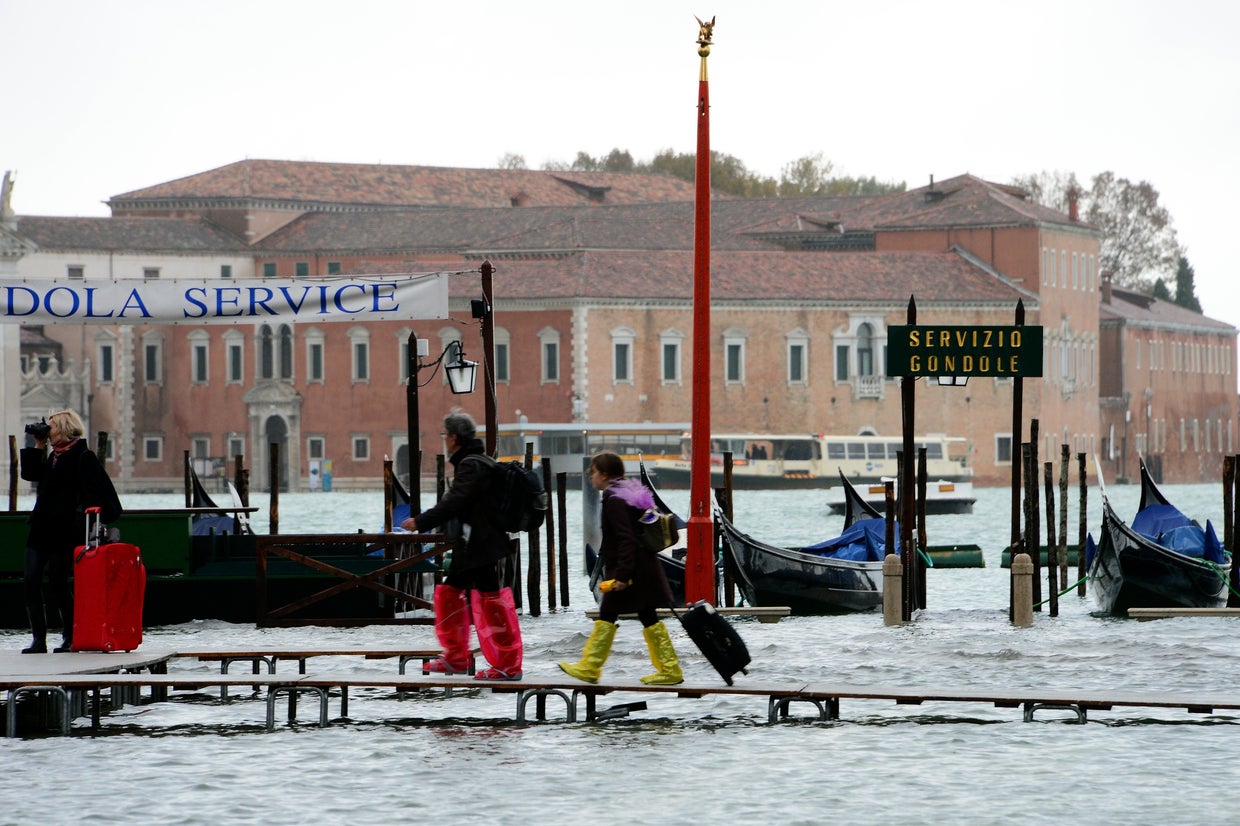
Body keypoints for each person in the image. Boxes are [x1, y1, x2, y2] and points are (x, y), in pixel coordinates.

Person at [401, 411, 523, 681]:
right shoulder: (477, 462)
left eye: (445, 435)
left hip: (479, 546)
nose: (444, 440)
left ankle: (505, 665)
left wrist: (420, 521)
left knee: (489, 601)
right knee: (452, 592)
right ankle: (459, 657)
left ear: (454, 438)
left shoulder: (471, 465)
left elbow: (455, 501)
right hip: (475, 546)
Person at [559, 452, 683, 685]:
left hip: (631, 571)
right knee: (648, 617)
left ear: (604, 474)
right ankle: (670, 669)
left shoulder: (614, 499)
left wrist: (622, 576)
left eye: (593, 472)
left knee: (608, 614)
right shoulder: (627, 493)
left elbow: (626, 539)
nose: (590, 477)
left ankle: (590, 667)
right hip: (644, 567)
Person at [19, 409, 122, 653]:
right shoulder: (52, 456)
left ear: (64, 428)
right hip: (40, 529)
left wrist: (87, 514)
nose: (47, 429)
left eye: (51, 426)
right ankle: (39, 640)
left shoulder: (82, 456)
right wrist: (38, 445)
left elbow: (102, 494)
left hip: (65, 531)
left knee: (58, 584)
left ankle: (70, 636)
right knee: (31, 581)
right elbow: (29, 475)